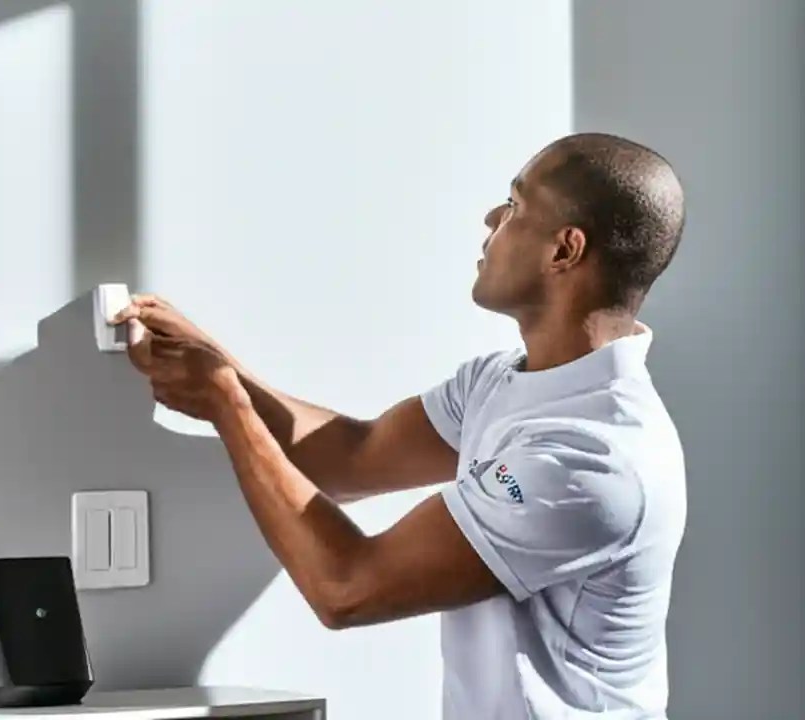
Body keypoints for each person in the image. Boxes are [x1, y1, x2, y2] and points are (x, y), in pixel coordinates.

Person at [110, 132, 687, 719]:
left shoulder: (593, 458)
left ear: (564, 250)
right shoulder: (499, 381)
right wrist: (215, 361)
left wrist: (226, 404)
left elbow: (346, 588)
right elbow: (350, 458)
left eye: (515, 205)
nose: (491, 217)